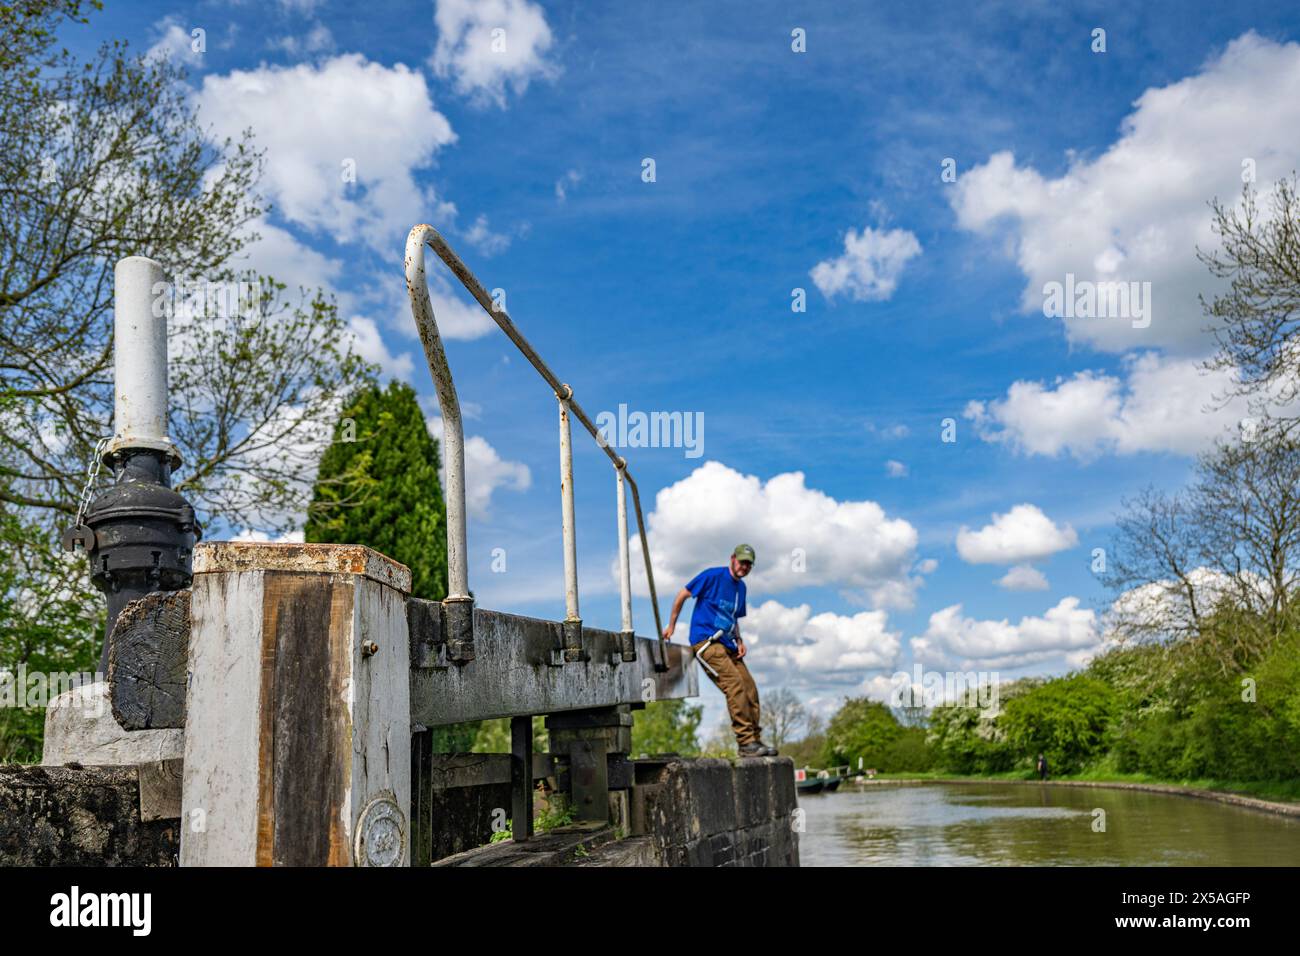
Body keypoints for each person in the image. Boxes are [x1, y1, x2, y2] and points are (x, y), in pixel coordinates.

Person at [662, 544, 776, 757]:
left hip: (729, 644)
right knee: (734, 685)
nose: (745, 567)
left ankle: (755, 740)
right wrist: (672, 626)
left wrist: (739, 639)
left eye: (749, 565)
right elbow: (682, 595)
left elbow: (733, 619)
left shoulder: (741, 588)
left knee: (750, 688)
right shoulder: (712, 576)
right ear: (732, 558)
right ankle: (745, 742)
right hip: (706, 643)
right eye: (742, 562)